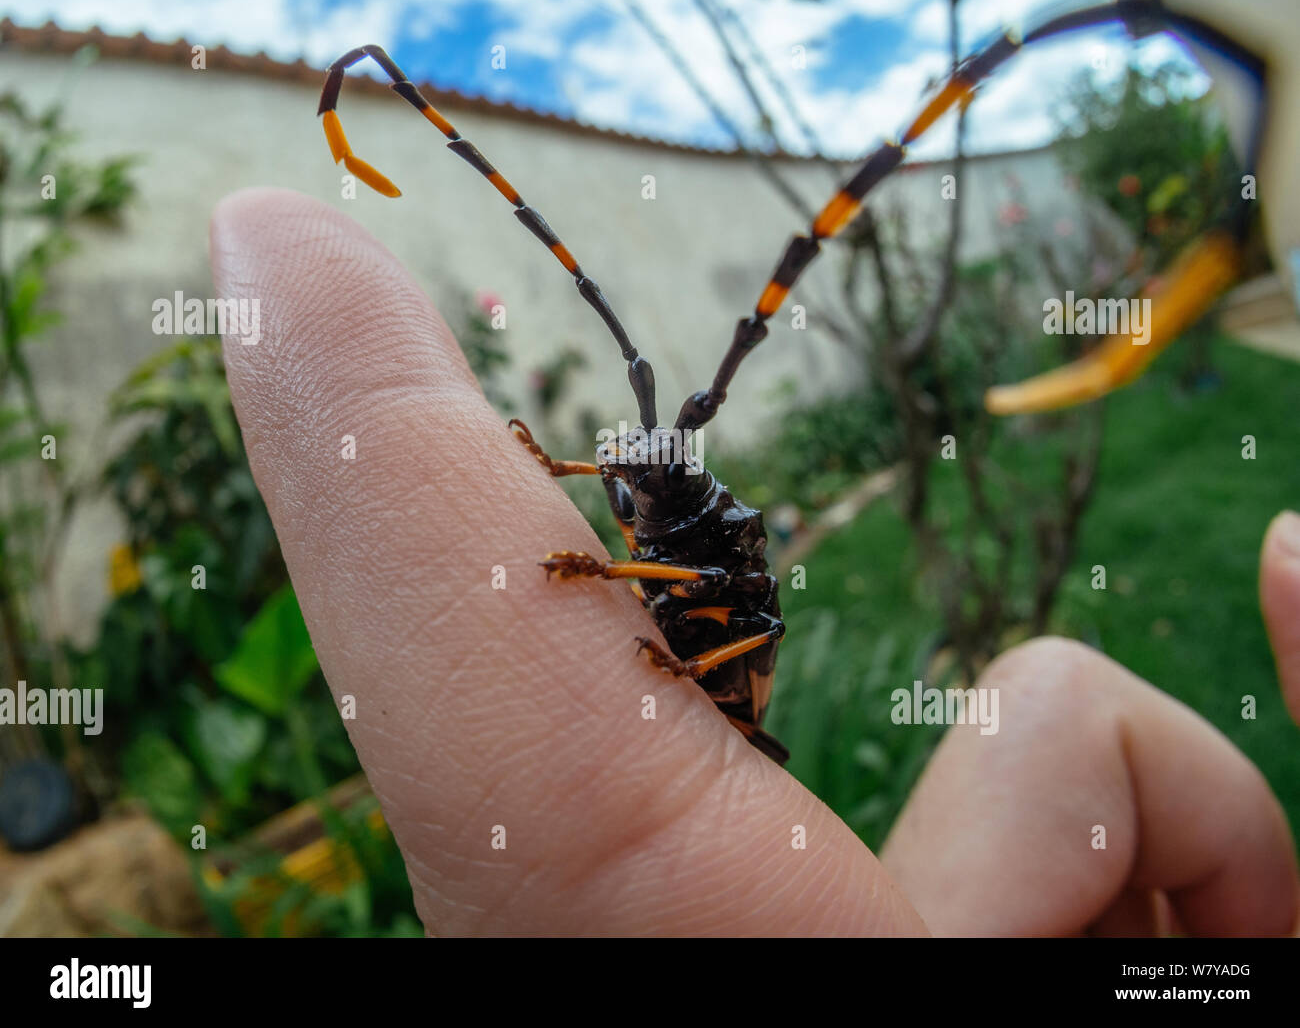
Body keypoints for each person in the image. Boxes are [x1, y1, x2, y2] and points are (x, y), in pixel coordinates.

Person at [210, 187, 1300, 937]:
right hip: (699, 639)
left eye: (643, 467)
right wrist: (561, 473)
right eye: (624, 468)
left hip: (727, 675)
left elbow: (708, 593)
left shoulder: (708, 540)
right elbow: (639, 498)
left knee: (711, 596)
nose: (630, 471)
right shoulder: (669, 501)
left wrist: (613, 592)